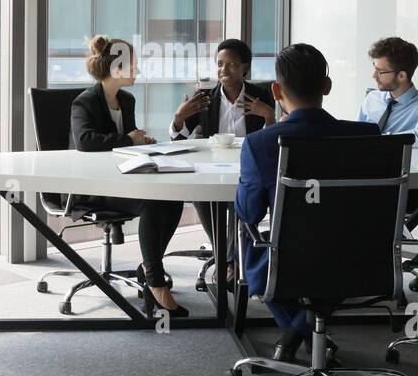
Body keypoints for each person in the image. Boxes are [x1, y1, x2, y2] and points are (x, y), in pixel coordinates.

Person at [234, 43, 378, 362]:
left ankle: (297, 332)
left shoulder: (260, 144)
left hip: (290, 262)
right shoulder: (367, 136)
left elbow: (248, 212)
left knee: (243, 238)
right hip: (360, 258)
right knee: (334, 252)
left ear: (275, 89)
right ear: (327, 86)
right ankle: (307, 334)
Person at [70, 35, 188, 317]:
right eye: (133, 65)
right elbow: (85, 141)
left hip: (123, 179)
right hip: (93, 187)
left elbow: (126, 144)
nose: (138, 70)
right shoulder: (84, 102)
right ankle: (156, 282)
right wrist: (128, 139)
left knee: (173, 198)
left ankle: (149, 267)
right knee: (151, 203)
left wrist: (142, 143)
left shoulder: (127, 100)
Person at [170, 38, 275, 268]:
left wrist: (268, 116)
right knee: (202, 195)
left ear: (244, 68)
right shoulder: (206, 97)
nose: (223, 69)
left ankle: (226, 261)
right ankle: (226, 258)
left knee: (241, 198)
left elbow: (270, 144)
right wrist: (179, 118)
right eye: (219, 64)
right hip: (214, 169)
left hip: (248, 169)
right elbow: (178, 140)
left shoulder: (261, 95)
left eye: (231, 64)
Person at [357, 36, 418, 147]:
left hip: (405, 164)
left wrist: (376, 140)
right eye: (375, 69)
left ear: (401, 76)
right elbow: (356, 136)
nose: (374, 76)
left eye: (380, 72)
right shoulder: (372, 97)